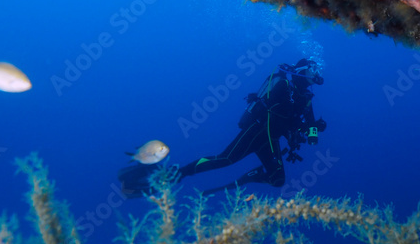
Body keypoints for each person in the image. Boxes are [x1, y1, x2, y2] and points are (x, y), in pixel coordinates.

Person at [119, 58, 327, 197]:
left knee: (277, 180)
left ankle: (248, 178)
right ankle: (178, 172)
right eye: (312, 70)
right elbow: (274, 107)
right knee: (224, 159)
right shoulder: (285, 86)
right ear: (301, 71)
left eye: (316, 72)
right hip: (257, 130)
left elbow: (308, 128)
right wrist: (296, 120)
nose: (315, 75)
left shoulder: (306, 99)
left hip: (271, 140)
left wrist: (314, 128)